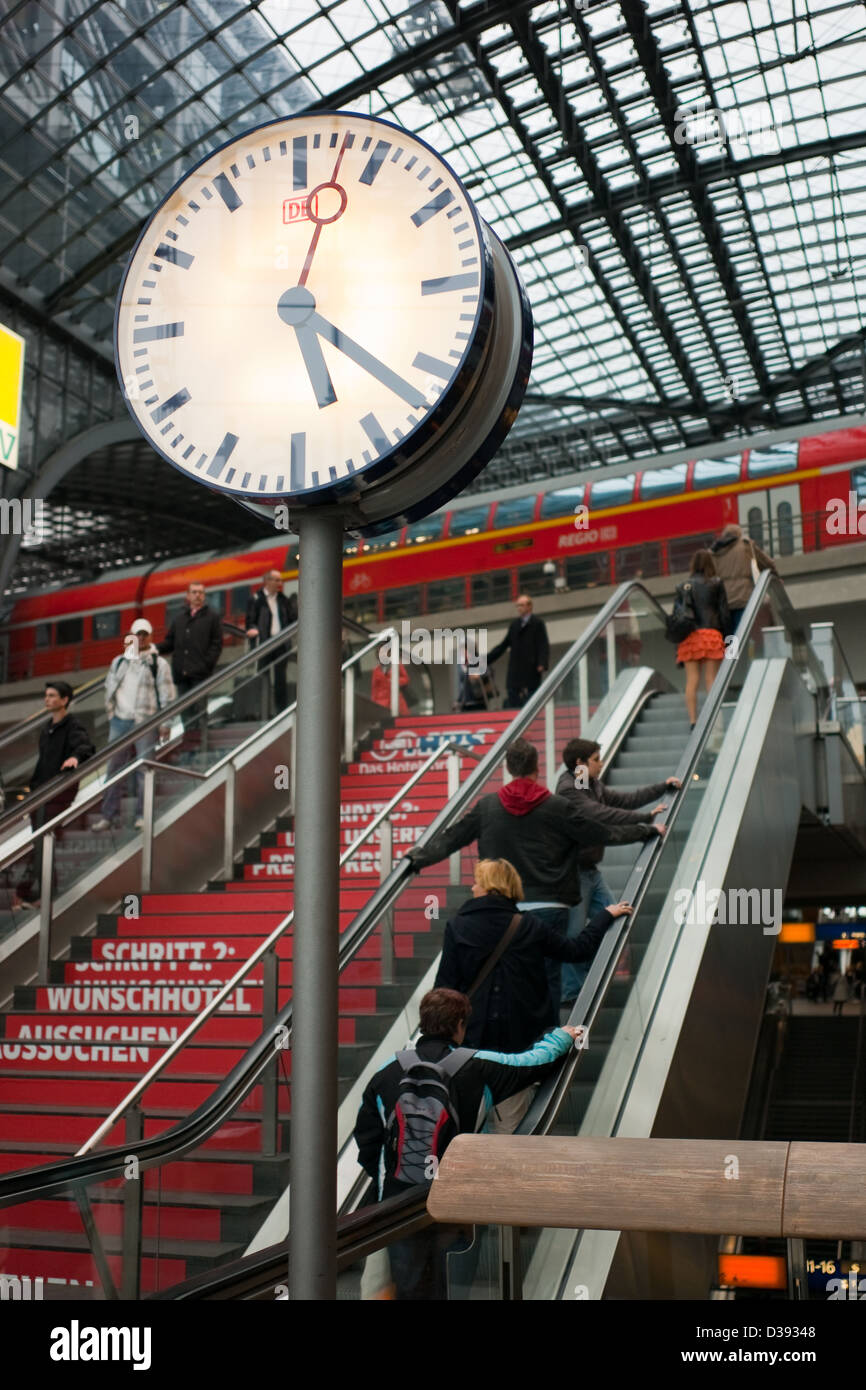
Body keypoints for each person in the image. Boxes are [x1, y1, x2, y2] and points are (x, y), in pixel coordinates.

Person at [354, 986, 584, 1299]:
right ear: (460, 1024)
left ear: (424, 1022)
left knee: (410, 1286)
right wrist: (564, 1035)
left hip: (399, 1203)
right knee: (454, 1281)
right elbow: (533, 1063)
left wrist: (390, 1177)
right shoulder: (479, 1065)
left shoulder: (385, 1073)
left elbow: (367, 1140)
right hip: (456, 1200)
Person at [407, 737, 663, 1004]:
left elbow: (453, 838)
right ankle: (549, 1038)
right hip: (551, 905)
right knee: (549, 984)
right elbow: (601, 832)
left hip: (503, 908)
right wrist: (646, 830)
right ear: (536, 768)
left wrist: (417, 859)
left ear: (508, 769)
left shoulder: (488, 807)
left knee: (507, 982)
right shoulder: (557, 807)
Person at [435, 857, 632, 1131]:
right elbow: (576, 950)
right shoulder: (528, 926)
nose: (472, 888)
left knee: (468, 1124)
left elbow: (444, 987)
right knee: (511, 1125)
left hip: (470, 1045)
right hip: (519, 1047)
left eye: (477, 882)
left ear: (491, 886)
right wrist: (604, 916)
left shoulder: (458, 925)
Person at [555, 738, 681, 1005]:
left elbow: (625, 800)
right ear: (580, 763)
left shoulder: (588, 784)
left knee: (616, 917)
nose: (601, 764)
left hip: (590, 871)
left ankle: (590, 980)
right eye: (596, 759)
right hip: (573, 875)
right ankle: (572, 995)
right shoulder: (569, 791)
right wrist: (645, 820)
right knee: (575, 935)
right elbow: (601, 814)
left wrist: (661, 787)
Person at [14, 681, 95, 907]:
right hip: (41, 792)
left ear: (65, 700)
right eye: (46, 696)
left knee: (44, 839)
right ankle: (37, 892)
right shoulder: (46, 729)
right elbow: (43, 762)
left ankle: (38, 892)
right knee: (41, 842)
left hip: (60, 789)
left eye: (52, 696)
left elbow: (86, 748)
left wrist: (75, 758)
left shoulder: (73, 726)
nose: (47, 699)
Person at [91, 620, 175, 831]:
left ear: (151, 636)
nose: (141, 638)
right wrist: (111, 713)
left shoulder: (159, 664)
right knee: (113, 770)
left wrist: (165, 723)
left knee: (145, 769)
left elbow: (168, 696)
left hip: (145, 721)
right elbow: (109, 687)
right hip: (119, 720)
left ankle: (142, 815)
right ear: (131, 636)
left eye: (145, 634)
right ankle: (108, 816)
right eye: (137, 634)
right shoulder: (119, 662)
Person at [674, 550, 733, 728]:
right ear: (710, 564)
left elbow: (677, 614)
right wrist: (729, 637)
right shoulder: (716, 583)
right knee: (711, 679)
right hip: (711, 635)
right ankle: (715, 719)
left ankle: (693, 720)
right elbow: (724, 613)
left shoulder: (683, 586)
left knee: (692, 681)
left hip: (690, 637)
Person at [156, 580, 222, 728]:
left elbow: (216, 645)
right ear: (188, 596)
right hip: (181, 675)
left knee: (199, 714)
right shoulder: (179, 619)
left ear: (204, 596)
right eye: (194, 592)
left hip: (200, 675)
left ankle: (200, 747)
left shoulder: (212, 617)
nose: (197, 595)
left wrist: (206, 665)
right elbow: (170, 642)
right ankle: (190, 747)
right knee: (186, 715)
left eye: (201, 592)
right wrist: (153, 649)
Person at [245, 570, 297, 714]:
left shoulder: (283, 600)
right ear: (267, 581)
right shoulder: (256, 599)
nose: (280, 584)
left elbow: (293, 619)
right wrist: (253, 631)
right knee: (263, 677)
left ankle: (281, 710)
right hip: (264, 645)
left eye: (280, 581)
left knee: (281, 678)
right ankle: (263, 711)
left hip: (281, 644)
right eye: (277, 580)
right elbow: (250, 621)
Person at [709, 523, 778, 631]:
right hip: (744, 598)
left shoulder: (715, 551)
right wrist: (775, 574)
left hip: (724, 601)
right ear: (739, 534)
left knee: (730, 637)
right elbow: (765, 562)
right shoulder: (745, 545)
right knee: (745, 632)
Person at [486, 594, 549, 707]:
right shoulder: (514, 625)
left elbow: (543, 645)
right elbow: (503, 646)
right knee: (513, 696)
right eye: (517, 605)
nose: (519, 608)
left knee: (531, 699)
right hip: (515, 671)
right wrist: (485, 660)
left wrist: (542, 663)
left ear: (529, 607)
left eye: (521, 605)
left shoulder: (537, 623)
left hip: (530, 669)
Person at [371, 645, 409, 715]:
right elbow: (374, 688)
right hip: (381, 702)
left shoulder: (396, 665)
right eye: (380, 653)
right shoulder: (376, 670)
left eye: (384, 653)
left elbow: (406, 679)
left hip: (395, 698)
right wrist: (373, 704)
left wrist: (395, 681)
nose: (383, 655)